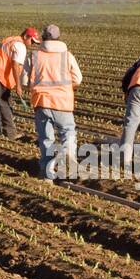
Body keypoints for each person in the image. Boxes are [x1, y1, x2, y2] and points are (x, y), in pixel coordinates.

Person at [26, 24, 83, 180]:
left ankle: (46, 174)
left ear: (43, 37)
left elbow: (24, 80)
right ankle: (69, 156)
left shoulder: (34, 56)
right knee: (68, 131)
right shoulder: (67, 55)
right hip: (63, 101)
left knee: (46, 138)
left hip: (41, 101)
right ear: (59, 37)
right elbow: (78, 78)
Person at [0, 27, 38, 139]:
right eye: (32, 41)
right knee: (4, 102)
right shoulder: (20, 46)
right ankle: (10, 133)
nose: (32, 44)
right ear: (26, 36)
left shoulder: (11, 39)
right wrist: (18, 86)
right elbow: (15, 65)